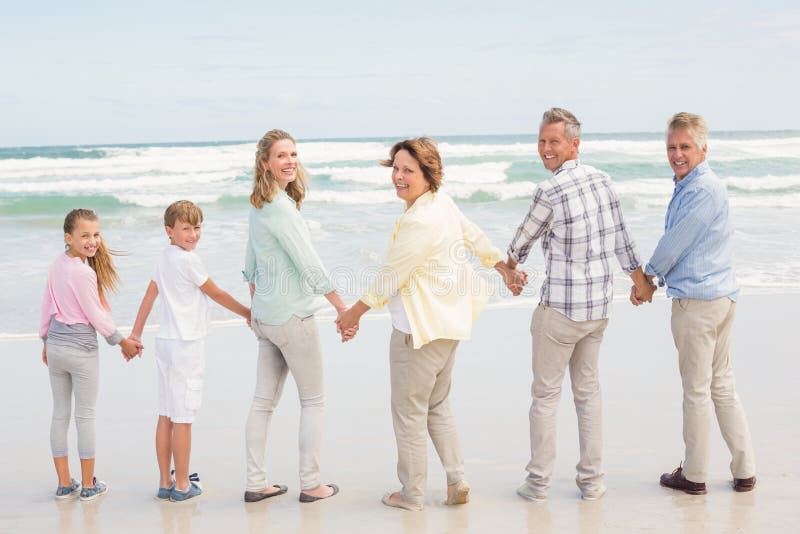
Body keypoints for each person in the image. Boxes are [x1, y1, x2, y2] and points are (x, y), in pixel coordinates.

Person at [336, 137, 527, 511]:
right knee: (437, 406)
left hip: (418, 332)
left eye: (408, 170)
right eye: (396, 168)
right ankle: (456, 481)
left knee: (409, 414)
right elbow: (474, 237)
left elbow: (391, 275)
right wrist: (501, 267)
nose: (398, 176)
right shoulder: (442, 204)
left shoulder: (420, 220)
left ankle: (411, 494)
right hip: (449, 328)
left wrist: (353, 313)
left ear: (428, 174)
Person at [505, 108, 654, 502]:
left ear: (574, 144)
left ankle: (537, 484)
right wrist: (641, 285)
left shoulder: (549, 191)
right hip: (598, 309)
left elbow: (521, 242)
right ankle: (592, 482)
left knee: (546, 396)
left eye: (554, 141)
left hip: (561, 313)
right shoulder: (603, 181)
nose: (546, 149)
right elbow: (624, 241)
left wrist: (510, 269)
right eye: (542, 140)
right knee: (587, 394)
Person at [632, 112, 756, 495]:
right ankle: (744, 470)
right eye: (671, 147)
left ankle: (695, 475)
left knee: (698, 390)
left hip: (700, 303)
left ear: (704, 148)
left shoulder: (702, 188)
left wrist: (646, 278)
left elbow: (676, 242)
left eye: (685, 146)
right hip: (717, 296)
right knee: (719, 385)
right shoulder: (691, 184)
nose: (677, 154)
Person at [242, 129, 354, 504]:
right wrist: (342, 307)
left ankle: (256, 483)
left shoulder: (259, 205)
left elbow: (250, 264)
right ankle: (311, 484)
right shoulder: (280, 209)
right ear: (265, 163)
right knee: (313, 401)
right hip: (292, 318)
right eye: (281, 156)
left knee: (262, 402)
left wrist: (257, 306)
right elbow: (309, 264)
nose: (290, 161)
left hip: (267, 319)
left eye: (293, 154)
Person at [130, 200, 251, 502]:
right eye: (186, 229)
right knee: (182, 416)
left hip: (165, 343)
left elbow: (148, 297)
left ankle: (164, 479)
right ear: (169, 231)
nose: (193, 235)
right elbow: (217, 293)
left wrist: (135, 333)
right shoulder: (189, 261)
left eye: (197, 228)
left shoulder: (164, 257)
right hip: (187, 344)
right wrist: (247, 313)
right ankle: (182, 484)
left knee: (166, 413)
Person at [40, 209, 142, 501]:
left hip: (57, 347)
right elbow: (94, 314)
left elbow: (47, 304)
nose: (92, 241)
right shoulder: (83, 272)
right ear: (68, 237)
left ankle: (63, 484)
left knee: (60, 414)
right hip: (80, 350)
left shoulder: (56, 265)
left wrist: (45, 340)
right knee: (85, 417)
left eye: (96, 234)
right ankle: (87, 485)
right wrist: (119, 340)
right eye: (85, 235)